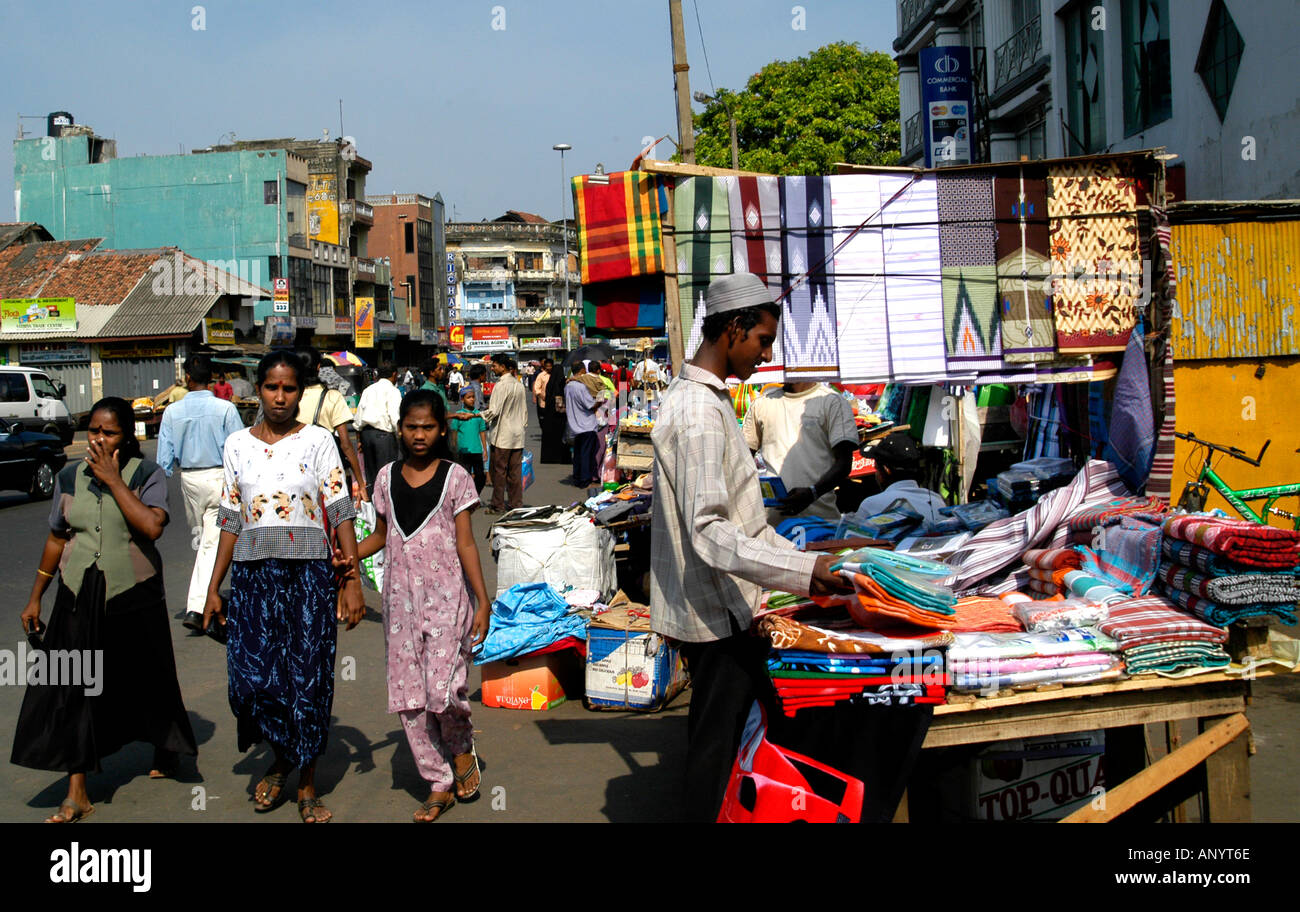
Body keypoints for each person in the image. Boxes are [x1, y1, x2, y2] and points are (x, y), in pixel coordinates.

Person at [649, 272, 854, 822]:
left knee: (725, 740)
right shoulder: (697, 412)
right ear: (734, 329)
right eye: (762, 340)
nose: (766, 355)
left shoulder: (706, 402)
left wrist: (808, 566)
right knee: (715, 752)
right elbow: (711, 531)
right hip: (715, 612)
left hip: (723, 604)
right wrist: (807, 571)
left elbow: (745, 524)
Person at [14, 397, 198, 822]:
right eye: (94, 430)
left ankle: (166, 744)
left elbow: (152, 526)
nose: (99, 439)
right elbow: (57, 538)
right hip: (78, 592)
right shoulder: (67, 477)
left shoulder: (146, 474)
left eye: (109, 432)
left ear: (127, 435)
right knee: (71, 688)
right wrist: (36, 595)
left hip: (134, 592)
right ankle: (76, 789)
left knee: (147, 677)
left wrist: (115, 482)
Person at [204, 350, 366, 824]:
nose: (279, 397)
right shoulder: (236, 445)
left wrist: (351, 580)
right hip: (254, 580)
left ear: (301, 392)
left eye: (289, 388)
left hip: (310, 577)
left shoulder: (318, 441)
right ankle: (280, 755)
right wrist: (215, 586)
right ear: (258, 389)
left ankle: (306, 781)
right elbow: (230, 519)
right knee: (251, 683)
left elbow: (339, 511)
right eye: (272, 387)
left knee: (307, 680)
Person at [354, 390, 491, 821]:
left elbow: (465, 542)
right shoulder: (384, 478)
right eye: (411, 427)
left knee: (444, 690)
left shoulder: (456, 478)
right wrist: (347, 554)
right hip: (400, 605)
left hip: (448, 600)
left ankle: (461, 746)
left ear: (442, 430)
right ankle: (438, 781)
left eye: (427, 427)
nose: (419, 435)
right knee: (410, 699)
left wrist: (482, 600)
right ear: (399, 429)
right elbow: (381, 535)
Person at [156, 353, 246, 629]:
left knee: (204, 541)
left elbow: (164, 458)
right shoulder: (225, 410)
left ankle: (198, 603)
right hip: (219, 477)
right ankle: (200, 604)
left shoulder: (172, 411)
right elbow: (240, 447)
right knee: (209, 543)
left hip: (190, 480)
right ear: (211, 378)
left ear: (187, 379)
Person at [742, 381, 859, 525]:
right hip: (772, 526)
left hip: (820, 523)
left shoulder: (833, 402)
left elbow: (844, 464)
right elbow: (742, 461)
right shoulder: (762, 404)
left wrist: (812, 493)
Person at [298, 347, 368, 504]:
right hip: (325, 472)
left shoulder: (289, 397)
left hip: (295, 474)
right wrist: (360, 483)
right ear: (318, 367)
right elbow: (346, 445)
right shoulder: (332, 396)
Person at [849, 433, 946, 525]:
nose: (876, 474)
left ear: (886, 470)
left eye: (876, 469)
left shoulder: (870, 505)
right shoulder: (936, 501)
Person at [475, 353, 527, 514]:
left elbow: (494, 411)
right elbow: (524, 412)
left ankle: (497, 505)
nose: (493, 368)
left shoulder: (500, 385)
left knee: (499, 472)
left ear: (503, 367)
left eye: (495, 365)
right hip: (517, 435)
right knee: (515, 473)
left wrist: (477, 415)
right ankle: (515, 504)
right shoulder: (519, 385)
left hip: (503, 435)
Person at [354, 362, 402, 497]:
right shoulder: (393, 391)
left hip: (366, 434)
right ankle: (384, 505)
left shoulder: (368, 390)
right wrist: (399, 436)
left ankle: (373, 504)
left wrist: (359, 439)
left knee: (371, 474)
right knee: (386, 474)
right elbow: (395, 416)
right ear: (394, 374)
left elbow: (358, 417)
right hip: (383, 435)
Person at [565, 362, 600, 488]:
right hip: (586, 425)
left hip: (574, 425)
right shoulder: (580, 387)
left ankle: (577, 477)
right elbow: (590, 405)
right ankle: (585, 480)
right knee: (586, 454)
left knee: (578, 453)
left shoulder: (568, 386)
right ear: (581, 371)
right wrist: (600, 401)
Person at [451, 386, 488, 493]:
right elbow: (454, 432)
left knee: (480, 477)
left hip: (477, 450)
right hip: (463, 451)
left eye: (473, 397)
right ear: (462, 399)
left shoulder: (478, 415)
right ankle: (464, 498)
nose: (472, 399)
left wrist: (485, 449)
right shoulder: (459, 415)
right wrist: (454, 448)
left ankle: (475, 496)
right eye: (469, 397)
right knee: (464, 477)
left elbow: (482, 432)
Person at [540, 356, 570, 465]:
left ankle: (548, 457)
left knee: (549, 437)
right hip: (559, 418)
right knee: (561, 437)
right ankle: (561, 457)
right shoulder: (561, 386)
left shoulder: (550, 384)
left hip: (549, 416)